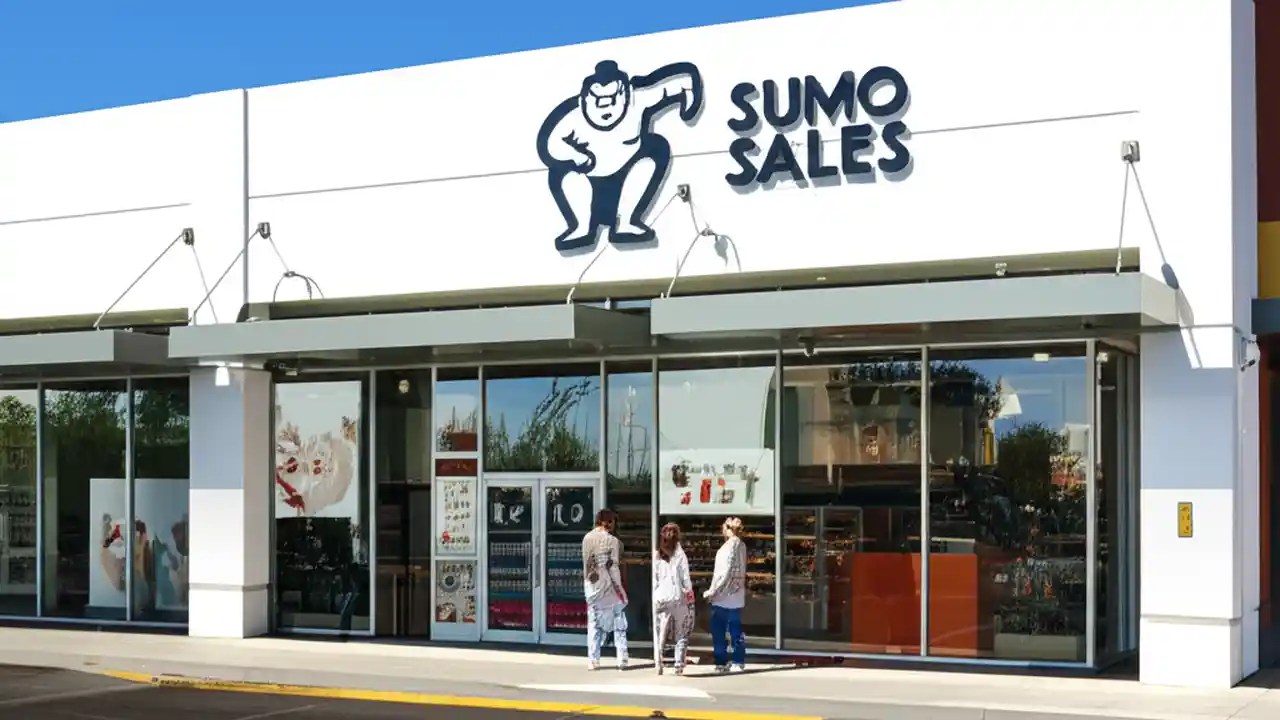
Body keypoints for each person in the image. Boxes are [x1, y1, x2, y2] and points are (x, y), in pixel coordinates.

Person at [582, 508, 629, 670]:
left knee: (594, 624)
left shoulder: (587, 538)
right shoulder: (613, 542)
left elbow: (587, 565)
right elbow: (614, 568)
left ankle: (593, 659)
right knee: (619, 622)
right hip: (610, 588)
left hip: (593, 587)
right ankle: (622, 658)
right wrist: (621, 590)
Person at [703, 516, 747, 673]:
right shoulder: (741, 546)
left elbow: (725, 572)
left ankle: (721, 661)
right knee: (736, 629)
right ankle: (738, 660)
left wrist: (713, 591)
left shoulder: (728, 548)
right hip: (737, 594)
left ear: (727, 529)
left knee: (718, 629)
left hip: (722, 595)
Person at [652, 522, 694, 676]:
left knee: (660, 632)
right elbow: (686, 579)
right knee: (681, 632)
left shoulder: (657, 554)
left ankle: (658, 663)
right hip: (677, 598)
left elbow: (654, 579)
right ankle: (678, 664)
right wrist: (690, 596)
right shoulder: (680, 555)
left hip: (660, 598)